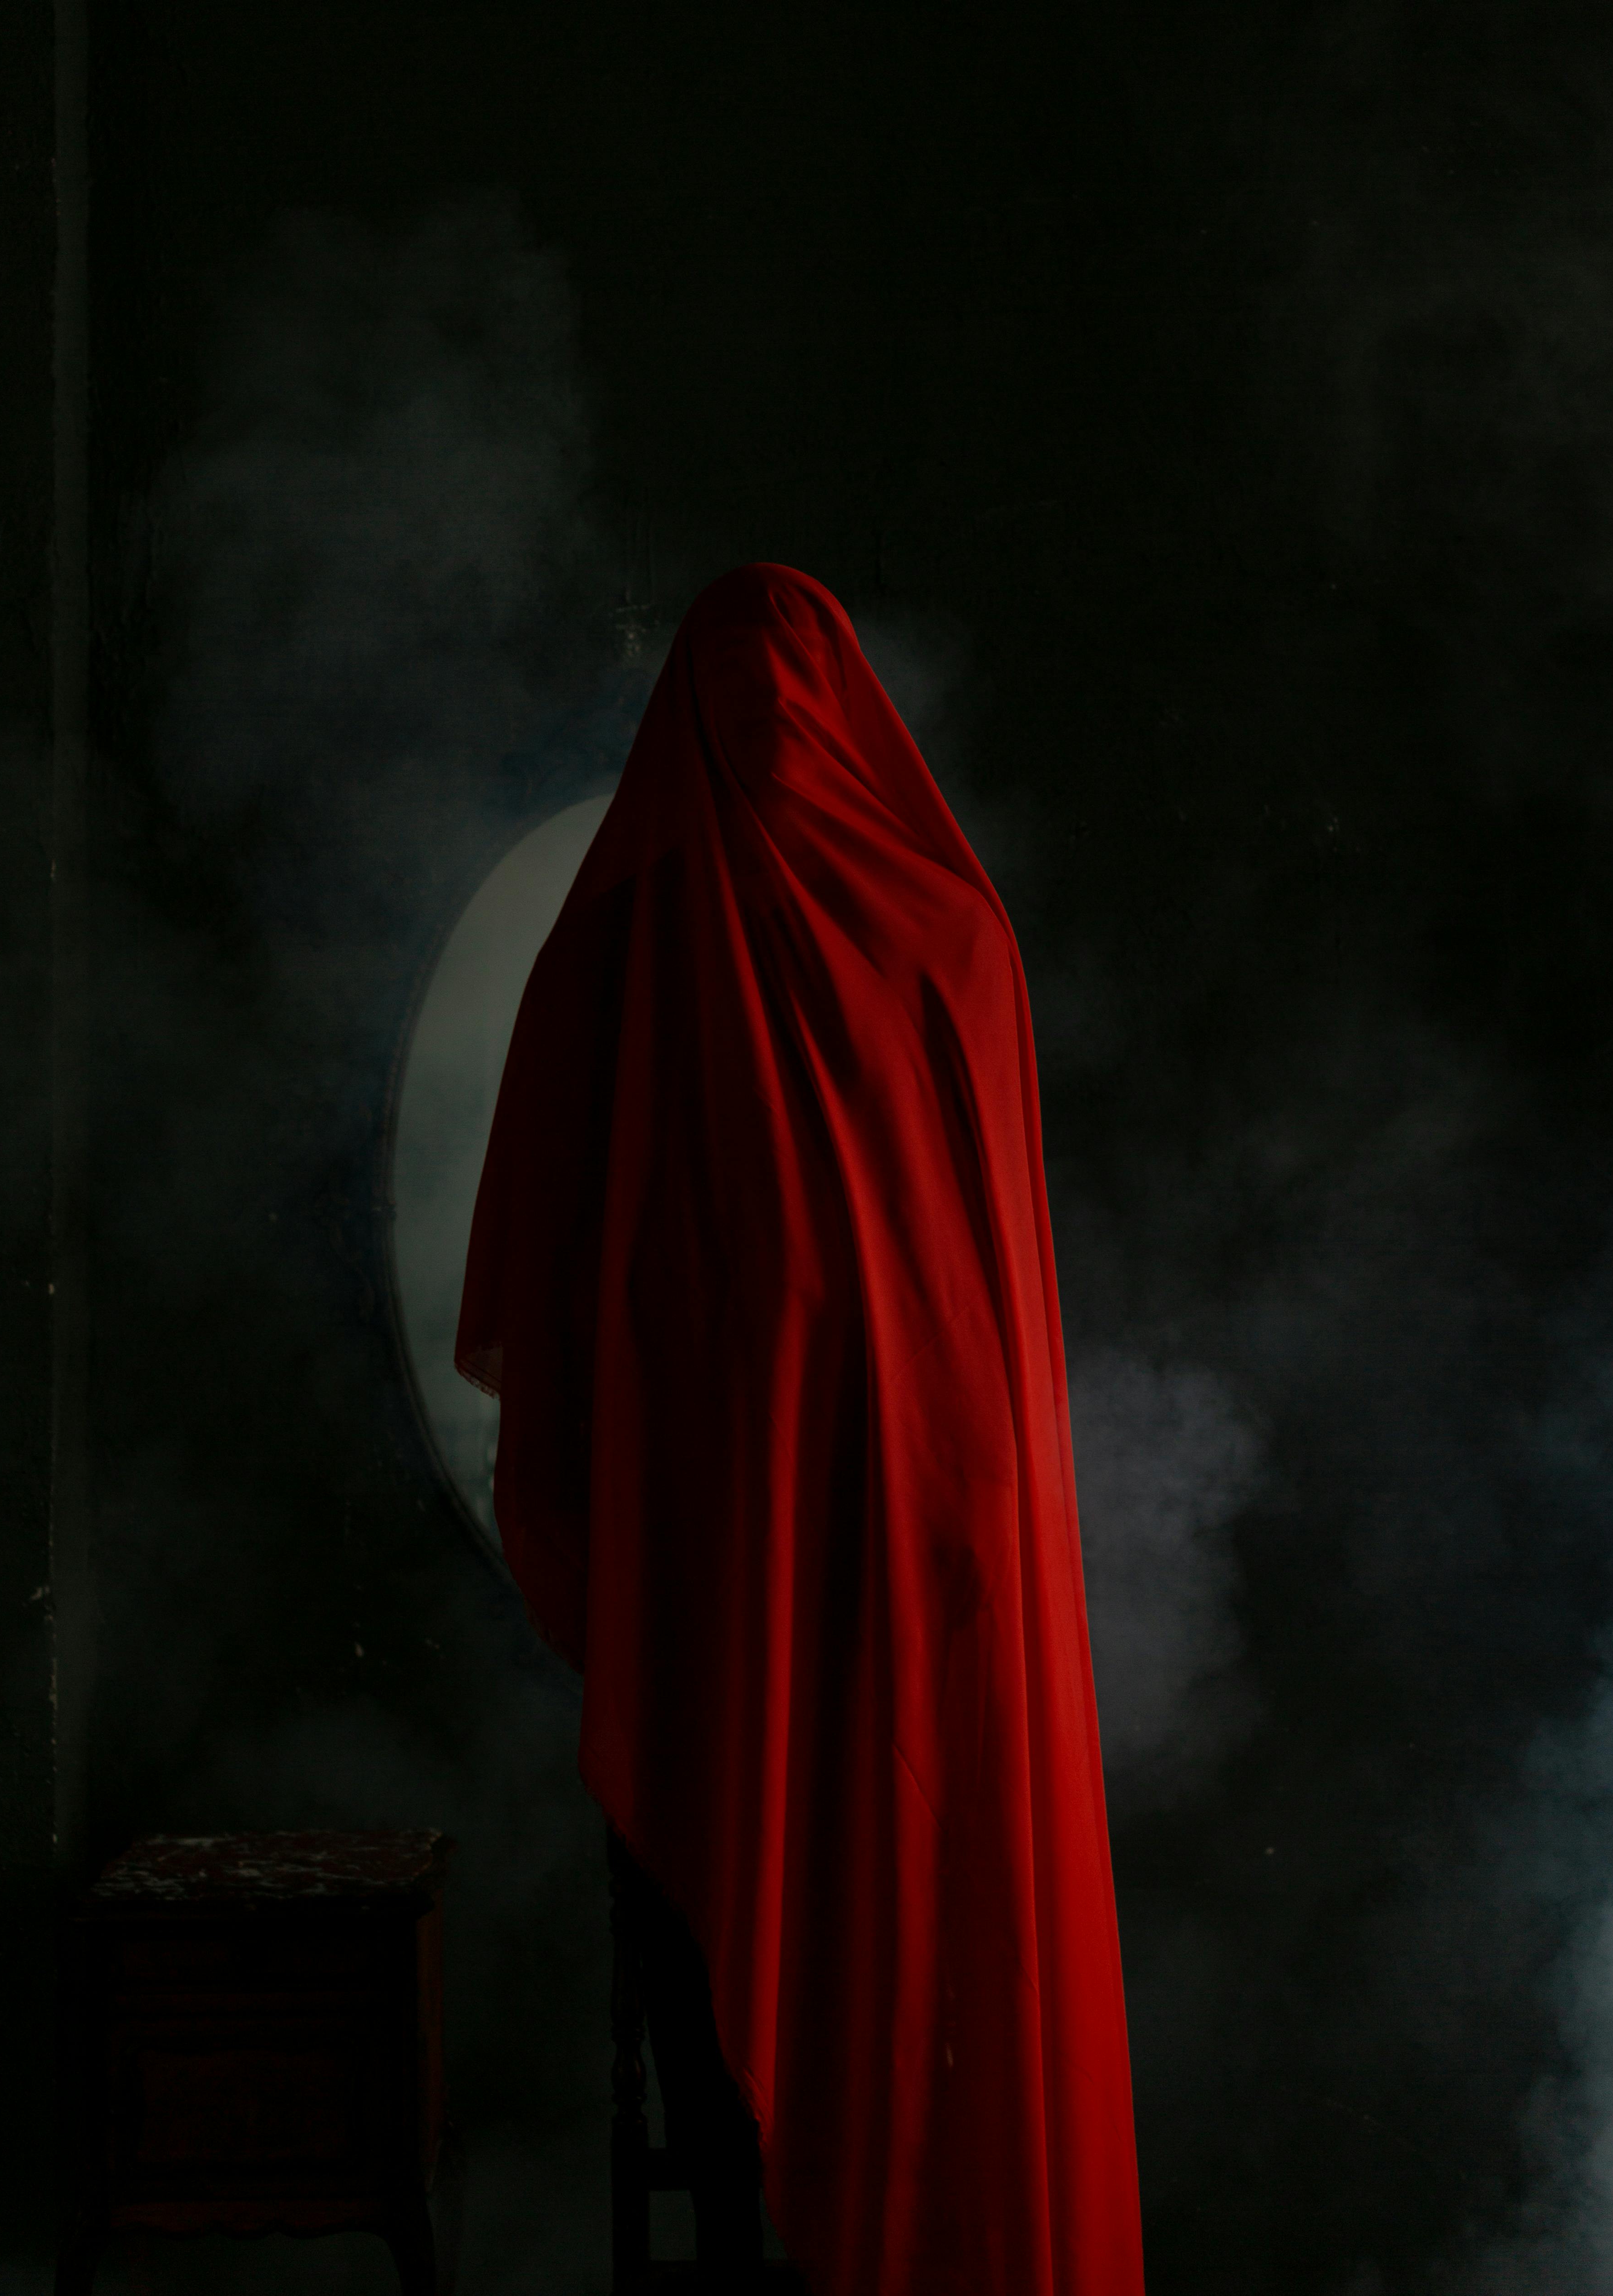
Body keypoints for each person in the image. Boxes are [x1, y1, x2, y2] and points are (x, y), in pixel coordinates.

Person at [457, 564, 1145, 2296]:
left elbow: (547, 1282)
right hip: (897, 1545)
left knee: (787, 1953)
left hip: (763, 1564)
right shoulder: (937, 933)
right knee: (897, 1940)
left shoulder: (633, 932)